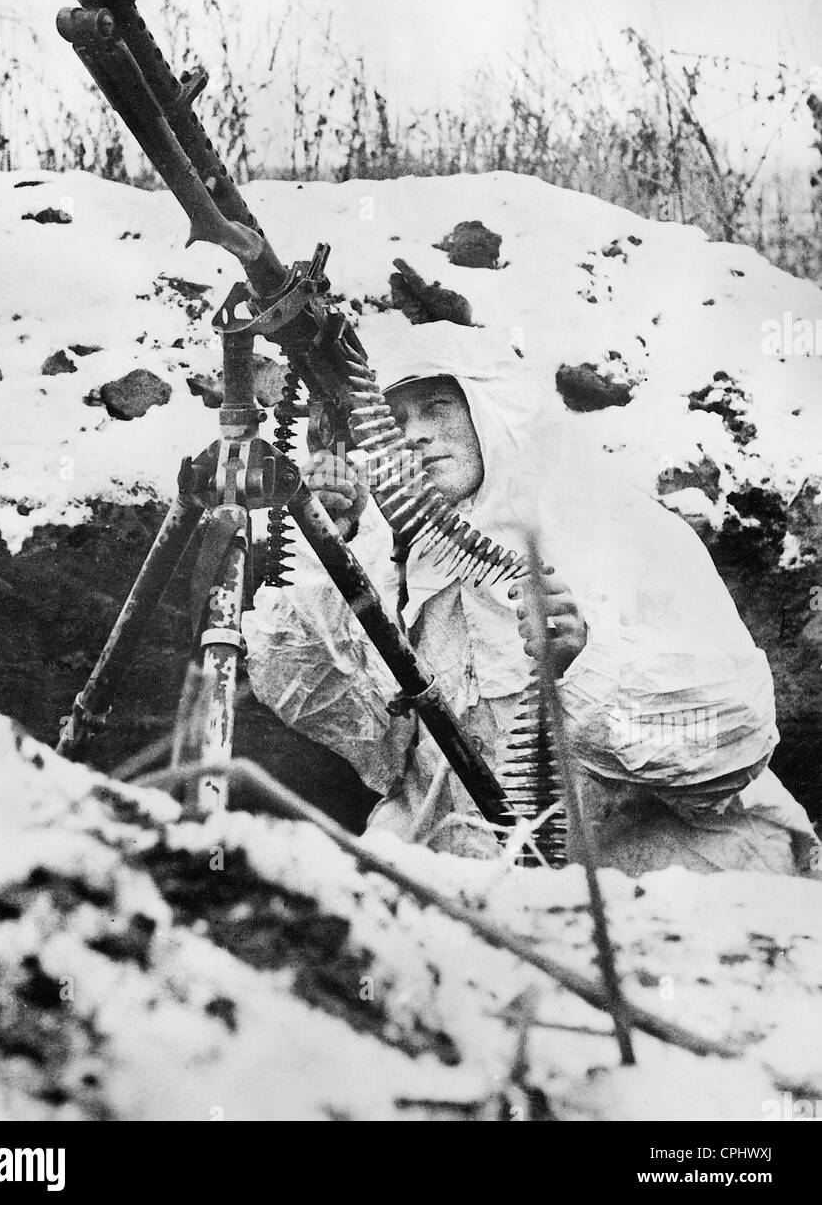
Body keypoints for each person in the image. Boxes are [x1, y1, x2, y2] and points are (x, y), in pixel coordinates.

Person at [244, 319, 820, 877]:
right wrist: (327, 543)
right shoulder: (396, 560)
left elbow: (733, 741)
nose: (415, 433)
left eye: (439, 409)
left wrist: (588, 665)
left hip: (645, 859)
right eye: (397, 419)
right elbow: (346, 722)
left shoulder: (622, 529)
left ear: (494, 412)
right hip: (467, 859)